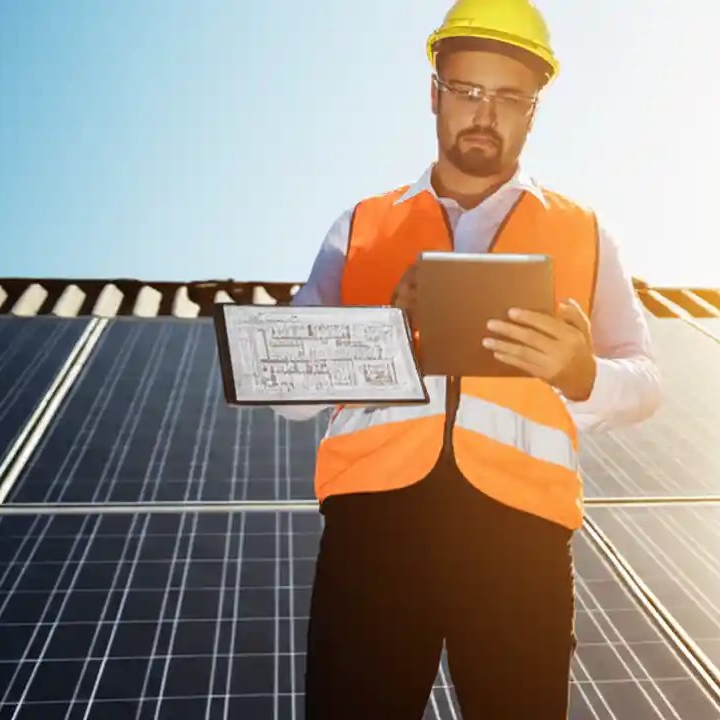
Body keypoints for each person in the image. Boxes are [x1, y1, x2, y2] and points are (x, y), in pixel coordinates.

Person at [271, 1, 661, 717]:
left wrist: (583, 376)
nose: (486, 114)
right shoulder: (360, 226)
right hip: (374, 539)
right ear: (434, 94)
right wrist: (384, 326)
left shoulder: (586, 232)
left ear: (534, 111)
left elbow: (645, 384)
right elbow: (291, 392)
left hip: (520, 547)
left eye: (510, 98)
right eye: (468, 91)